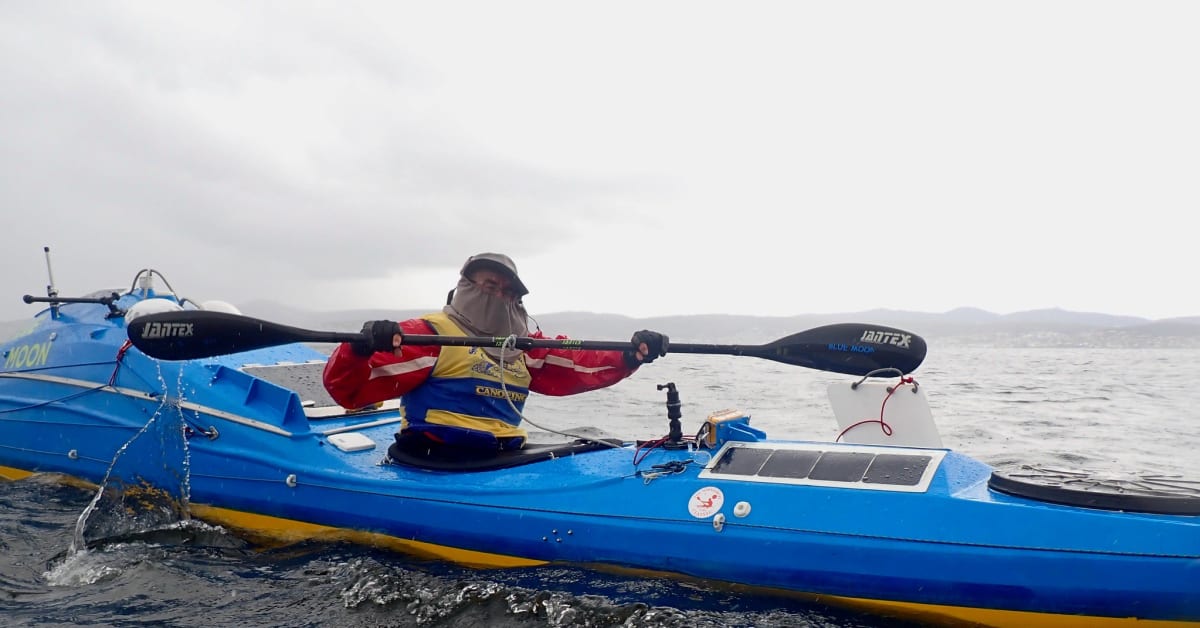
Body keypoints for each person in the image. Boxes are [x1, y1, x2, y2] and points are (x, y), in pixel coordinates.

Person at [322, 252, 669, 459]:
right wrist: (360, 347)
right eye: (490, 286)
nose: (499, 295)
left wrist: (630, 353)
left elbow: (579, 364)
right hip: (435, 456)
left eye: (507, 291)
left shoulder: (525, 347)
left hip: (500, 456)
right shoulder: (430, 334)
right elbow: (349, 389)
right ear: (467, 287)